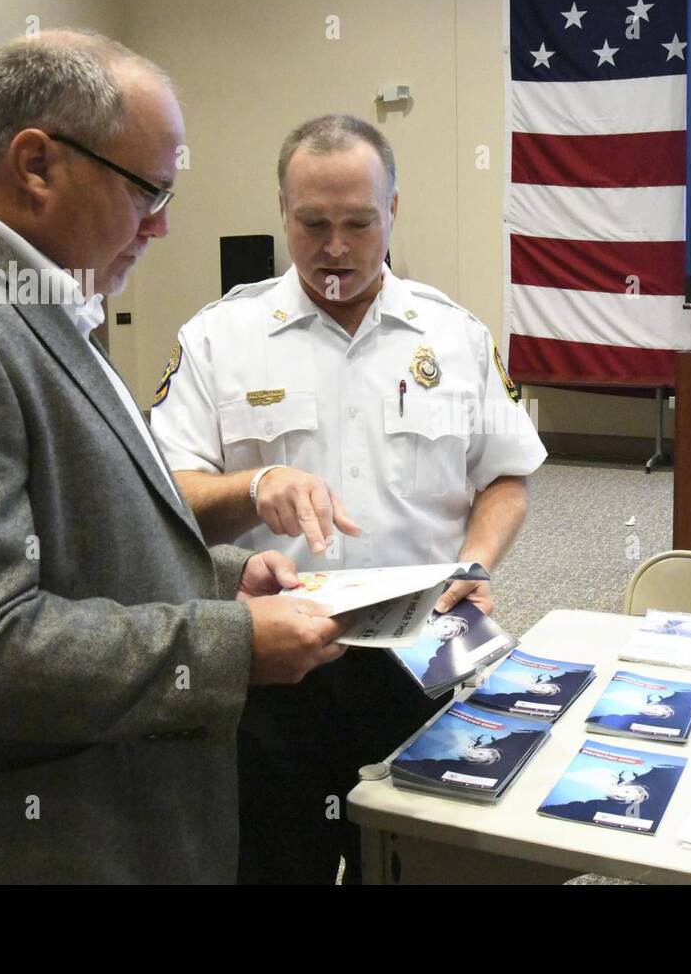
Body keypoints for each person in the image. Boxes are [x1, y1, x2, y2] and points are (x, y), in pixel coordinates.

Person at [0, 30, 348, 885]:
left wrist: (219, 581)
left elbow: (78, 539)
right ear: (37, 164)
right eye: (148, 190)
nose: (163, 224)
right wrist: (228, 644)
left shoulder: (41, 294)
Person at [150, 114, 546, 883]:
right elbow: (168, 494)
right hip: (271, 662)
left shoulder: (454, 337)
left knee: (413, 861)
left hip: (420, 657)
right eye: (313, 224)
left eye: (359, 224)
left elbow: (507, 478)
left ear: (393, 211)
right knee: (273, 859)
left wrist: (478, 559)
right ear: (282, 212)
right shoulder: (219, 339)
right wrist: (256, 485)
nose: (335, 248)